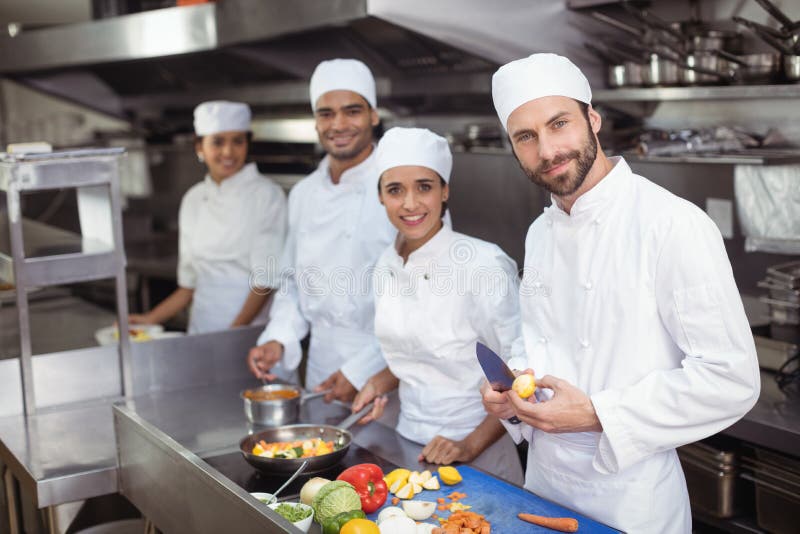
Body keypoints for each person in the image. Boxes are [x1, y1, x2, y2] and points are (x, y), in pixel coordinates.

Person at [481, 53, 760, 533]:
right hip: (544, 487)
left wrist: (595, 414)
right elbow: (544, 341)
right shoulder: (540, 233)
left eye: (559, 123)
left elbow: (730, 379)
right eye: (526, 137)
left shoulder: (671, 224)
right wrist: (514, 394)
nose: (547, 150)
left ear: (593, 119)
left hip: (631, 501)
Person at [350, 127, 524, 483]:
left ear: (445, 191)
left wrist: (468, 446)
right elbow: (428, 351)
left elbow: (518, 377)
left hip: (479, 454)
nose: (410, 203)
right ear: (380, 197)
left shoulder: (482, 264)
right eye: (395, 190)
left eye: (424, 187)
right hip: (408, 444)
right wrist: (380, 381)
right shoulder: (386, 263)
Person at [247, 59, 396, 401]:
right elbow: (292, 284)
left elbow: (424, 302)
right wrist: (278, 338)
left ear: (373, 115)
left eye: (352, 111)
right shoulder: (303, 194)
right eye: (326, 113)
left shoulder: (402, 188)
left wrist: (361, 371)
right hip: (320, 370)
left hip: (386, 371)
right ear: (315, 121)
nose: (338, 124)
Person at [131, 101, 287, 334]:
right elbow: (189, 285)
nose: (228, 152)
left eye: (238, 141)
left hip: (252, 333)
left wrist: (233, 333)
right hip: (202, 329)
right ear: (199, 147)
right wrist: (149, 319)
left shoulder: (268, 196)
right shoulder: (193, 199)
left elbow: (265, 281)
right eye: (218, 142)